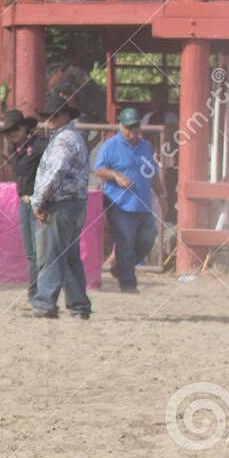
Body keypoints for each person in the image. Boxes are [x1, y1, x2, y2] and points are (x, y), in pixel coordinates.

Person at [29, 97, 92, 320]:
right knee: (70, 256)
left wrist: (38, 201)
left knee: (52, 254)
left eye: (52, 115)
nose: (48, 120)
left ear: (65, 115)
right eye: (46, 116)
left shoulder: (63, 140)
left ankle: (45, 303)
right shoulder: (73, 137)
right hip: (75, 204)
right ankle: (78, 304)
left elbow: (54, 174)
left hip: (61, 204)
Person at [92, 107, 162, 292]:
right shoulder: (110, 146)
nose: (132, 132)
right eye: (128, 128)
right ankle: (129, 284)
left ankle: (120, 267)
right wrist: (115, 175)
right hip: (119, 205)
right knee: (125, 243)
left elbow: (153, 172)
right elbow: (99, 170)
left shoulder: (145, 146)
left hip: (143, 203)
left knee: (148, 239)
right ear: (120, 127)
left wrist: (162, 195)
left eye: (135, 127)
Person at [1, 110, 46, 302]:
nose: (12, 133)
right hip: (24, 202)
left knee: (39, 252)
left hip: (39, 202)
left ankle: (38, 292)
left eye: (15, 129)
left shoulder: (40, 146)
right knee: (31, 252)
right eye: (9, 131)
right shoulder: (14, 149)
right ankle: (35, 291)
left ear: (26, 127)